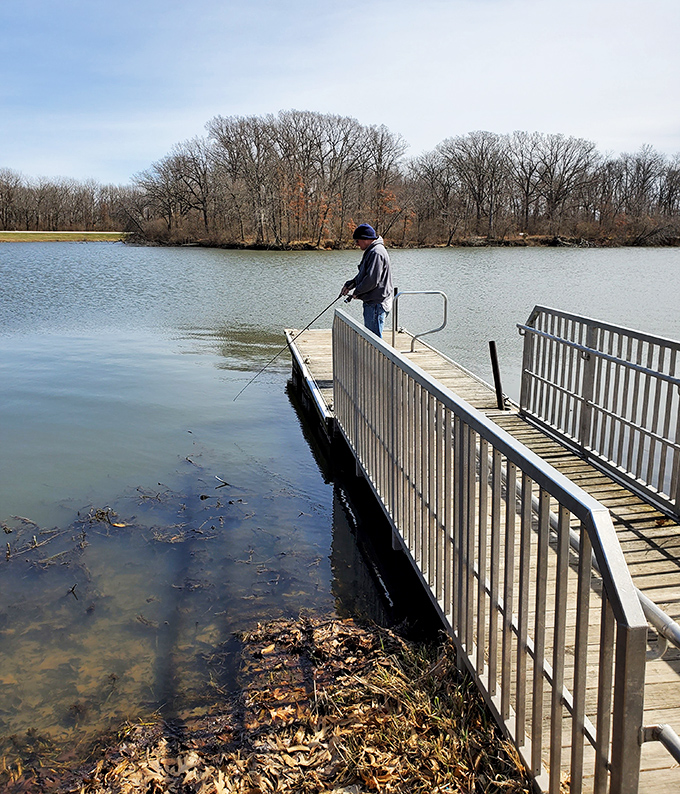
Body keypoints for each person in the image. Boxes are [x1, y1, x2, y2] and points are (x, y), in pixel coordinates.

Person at [340, 224, 393, 338]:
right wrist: (351, 284)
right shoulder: (372, 250)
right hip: (373, 302)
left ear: (366, 239)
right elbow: (364, 275)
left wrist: (356, 292)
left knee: (374, 340)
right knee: (372, 338)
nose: (357, 244)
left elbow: (372, 280)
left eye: (357, 241)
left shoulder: (376, 253)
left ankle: (378, 356)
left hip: (376, 303)